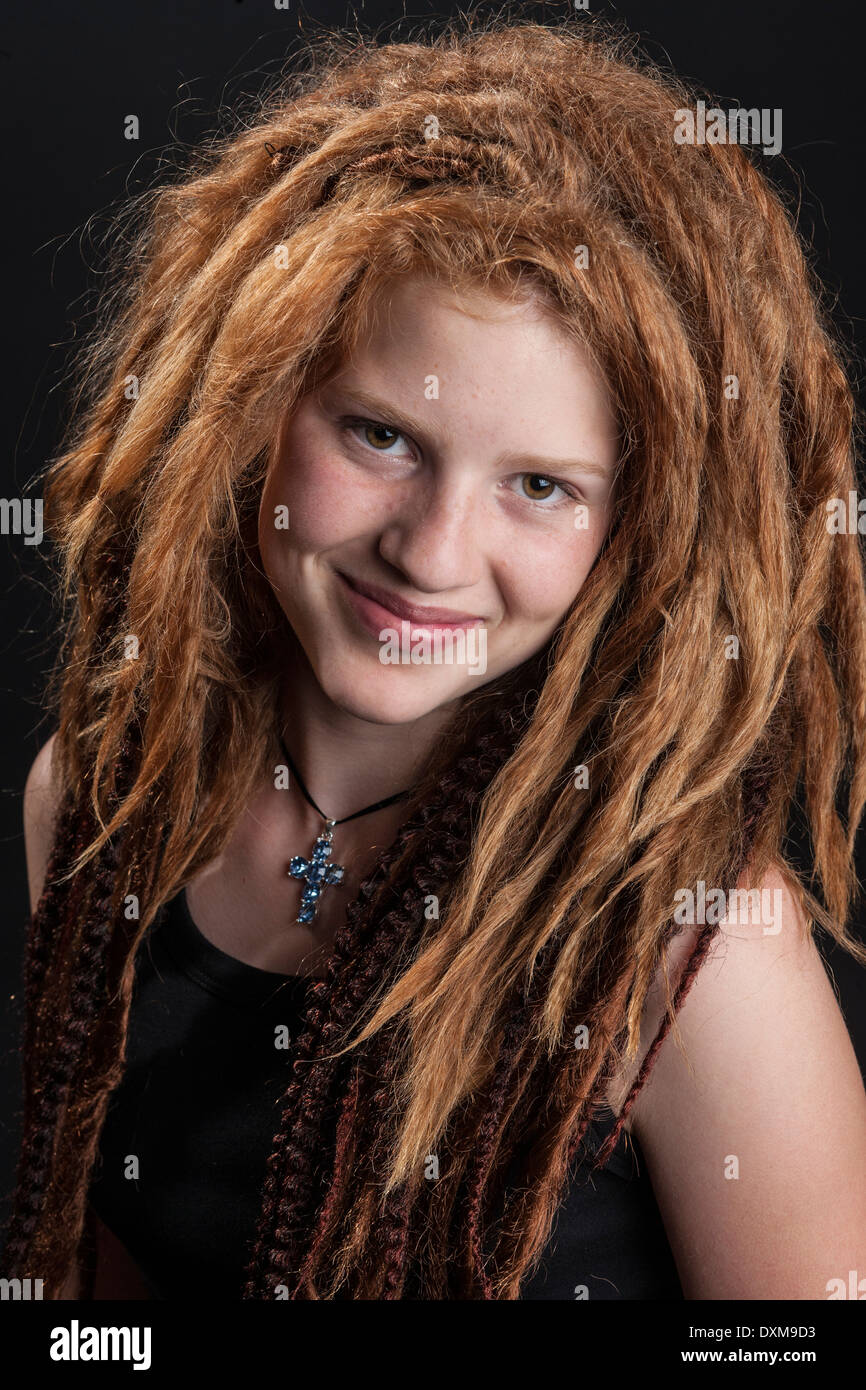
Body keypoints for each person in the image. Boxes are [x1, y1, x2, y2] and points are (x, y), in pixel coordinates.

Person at [5, 12, 866, 1301]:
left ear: (642, 531)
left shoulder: (697, 951)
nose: (433, 552)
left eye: (540, 485)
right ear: (253, 402)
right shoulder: (99, 796)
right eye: (381, 435)